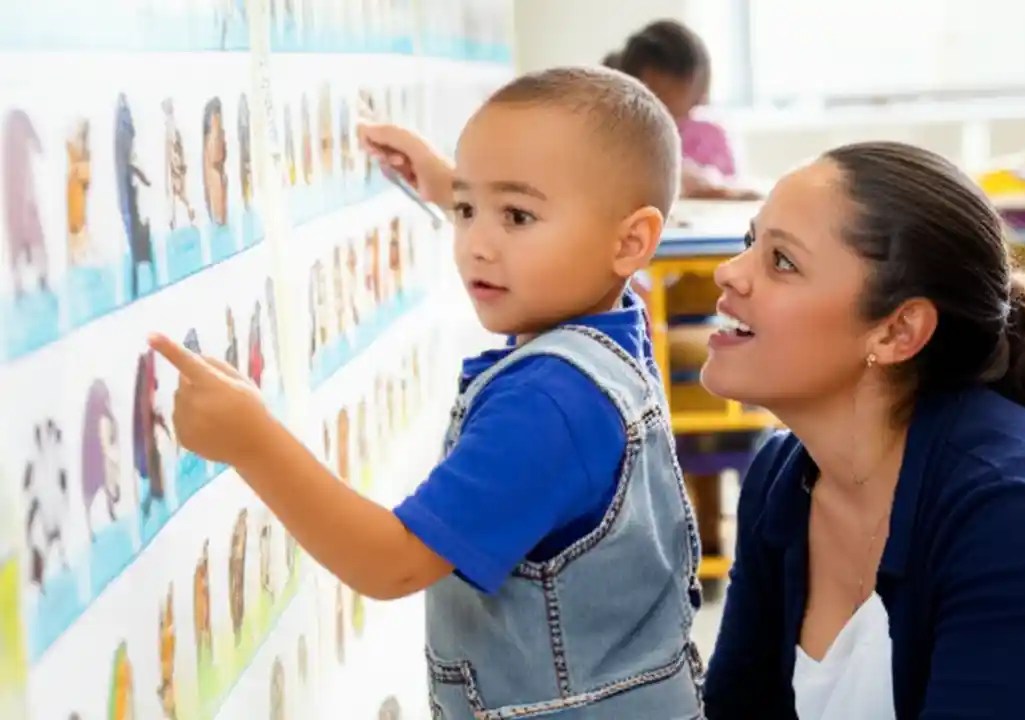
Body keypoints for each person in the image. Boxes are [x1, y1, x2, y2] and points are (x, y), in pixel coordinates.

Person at [148, 66, 705, 718]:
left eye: (517, 215)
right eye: (468, 211)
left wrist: (252, 441)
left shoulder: (547, 406)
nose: (476, 244)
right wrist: (450, 184)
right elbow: (554, 236)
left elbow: (392, 564)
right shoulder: (615, 320)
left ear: (630, 242)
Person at [700, 142, 1025, 718]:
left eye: (782, 261)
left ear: (897, 331)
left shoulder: (1012, 510)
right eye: (748, 243)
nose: (728, 272)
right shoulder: (782, 476)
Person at [604, 19, 760, 200]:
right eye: (657, 96)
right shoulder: (620, 135)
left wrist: (713, 186)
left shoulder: (711, 134)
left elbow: (739, 189)